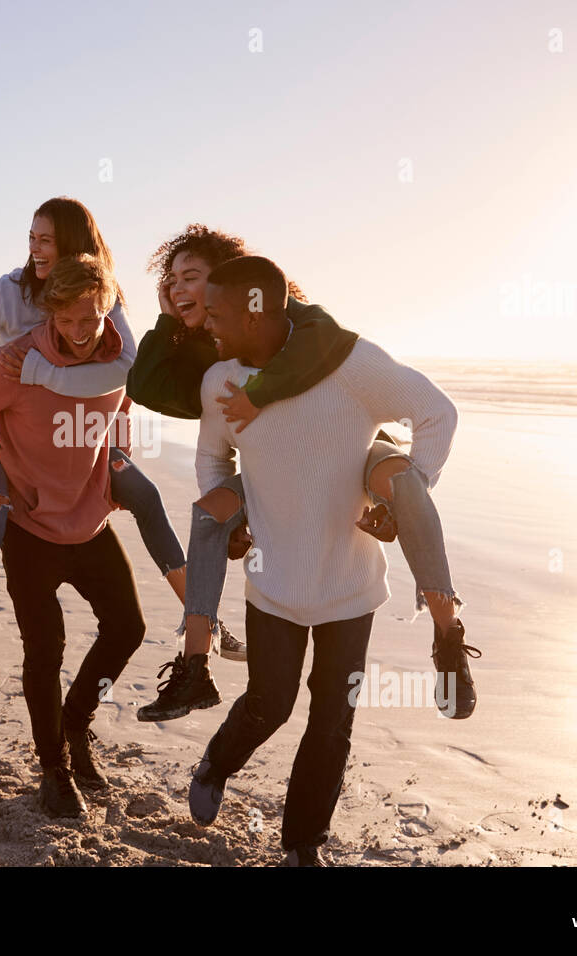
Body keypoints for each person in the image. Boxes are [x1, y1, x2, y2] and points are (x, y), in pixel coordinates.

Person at [0, 197, 243, 738]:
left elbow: (125, 373)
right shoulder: (12, 291)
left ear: (71, 243)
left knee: (147, 497)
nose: (33, 248)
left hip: (85, 437)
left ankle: (202, 620)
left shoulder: (103, 296)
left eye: (44, 239)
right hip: (5, 431)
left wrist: (71, 399)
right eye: (30, 237)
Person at [184, 256, 475, 866]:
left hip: (349, 584)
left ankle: (301, 847)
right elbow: (214, 461)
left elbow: (437, 413)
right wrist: (234, 522)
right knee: (270, 702)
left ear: (258, 308)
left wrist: (407, 498)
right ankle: (218, 763)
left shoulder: (353, 364)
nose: (206, 323)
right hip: (272, 581)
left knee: (330, 720)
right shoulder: (221, 381)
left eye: (217, 313)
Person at [129, 225, 477, 722]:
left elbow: (320, 348)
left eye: (193, 278)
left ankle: (448, 632)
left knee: (402, 480)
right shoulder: (208, 348)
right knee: (209, 515)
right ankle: (195, 667)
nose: (181, 290)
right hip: (266, 470)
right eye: (171, 282)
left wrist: (392, 503)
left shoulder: (297, 323)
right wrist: (168, 321)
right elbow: (146, 387)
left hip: (346, 451)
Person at [0, 254, 147, 817]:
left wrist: (116, 466)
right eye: (70, 320)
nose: (82, 333)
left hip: (90, 519)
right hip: (30, 528)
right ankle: (53, 767)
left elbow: (122, 409)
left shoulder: (118, 358)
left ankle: (75, 726)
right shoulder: (16, 362)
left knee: (128, 627)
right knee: (45, 647)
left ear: (108, 311)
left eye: (93, 319)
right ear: (52, 312)